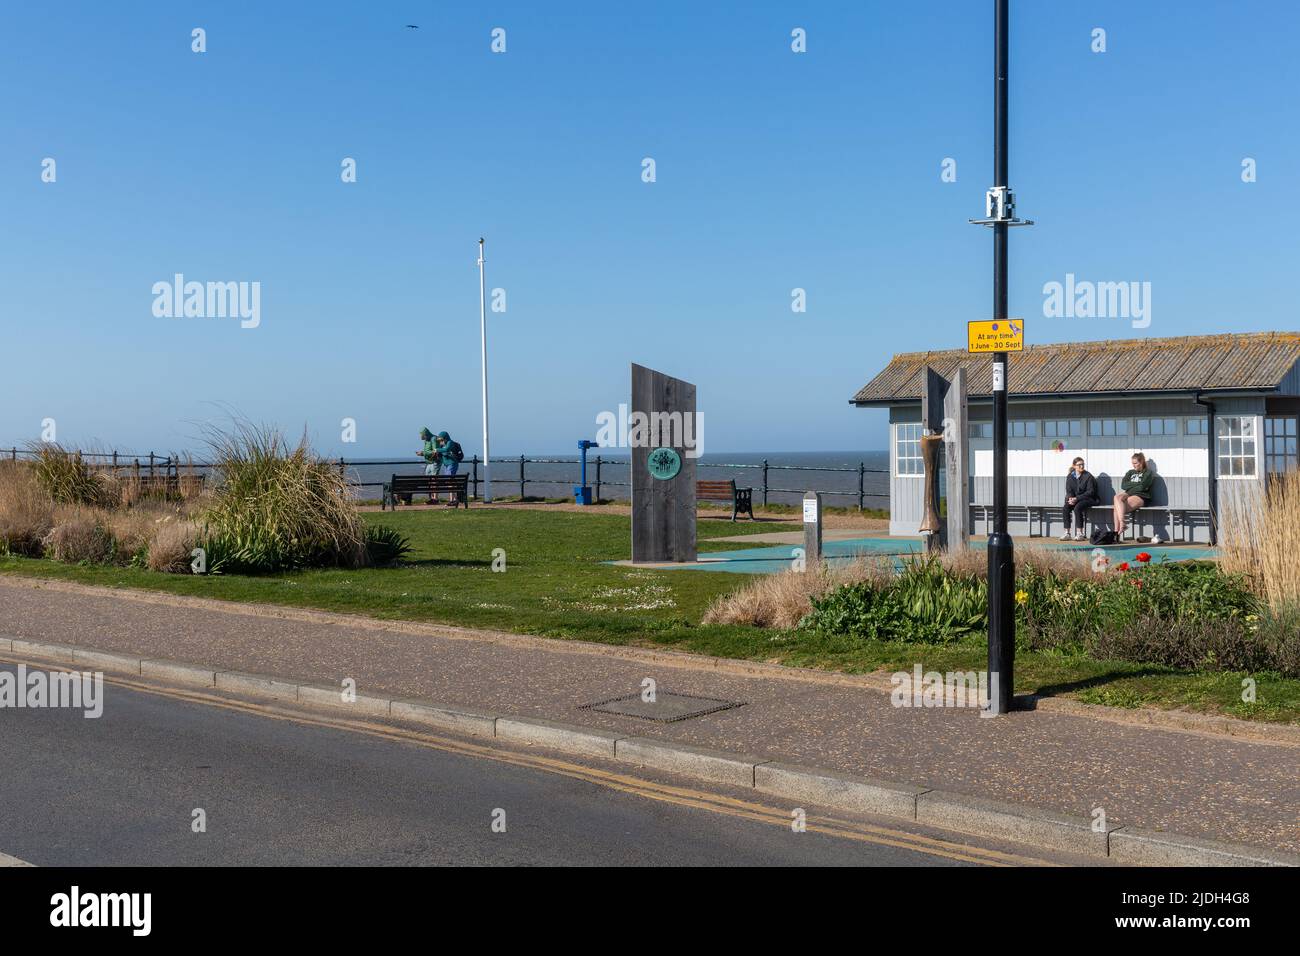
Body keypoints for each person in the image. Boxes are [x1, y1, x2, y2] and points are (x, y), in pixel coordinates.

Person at [1112, 452, 1154, 538]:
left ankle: (1116, 534)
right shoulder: (1130, 472)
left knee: (1116, 508)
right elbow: (1123, 485)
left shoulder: (1148, 473)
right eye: (1132, 463)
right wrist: (1137, 484)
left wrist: (1131, 485)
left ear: (1141, 462)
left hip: (1142, 496)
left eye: (1135, 463)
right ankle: (1122, 523)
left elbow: (1143, 486)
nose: (1133, 465)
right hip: (1129, 494)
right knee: (1116, 497)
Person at [1059, 456, 1098, 541]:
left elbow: (1090, 492)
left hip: (1091, 499)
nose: (1082, 466)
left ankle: (1080, 533)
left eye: (1083, 464)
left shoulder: (1088, 476)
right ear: (1074, 466)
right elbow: (1069, 491)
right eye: (1079, 465)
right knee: (1066, 507)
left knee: (1077, 508)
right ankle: (1067, 533)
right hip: (1077, 499)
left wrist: (1076, 498)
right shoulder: (1070, 476)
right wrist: (1070, 499)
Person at [434, 431, 464, 505]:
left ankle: (453, 500)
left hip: (452, 464)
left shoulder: (450, 442)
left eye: (441, 439)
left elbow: (446, 449)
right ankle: (454, 499)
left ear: (445, 437)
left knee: (450, 481)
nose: (440, 440)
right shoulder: (442, 444)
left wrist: (437, 450)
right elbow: (443, 453)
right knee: (449, 482)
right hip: (446, 465)